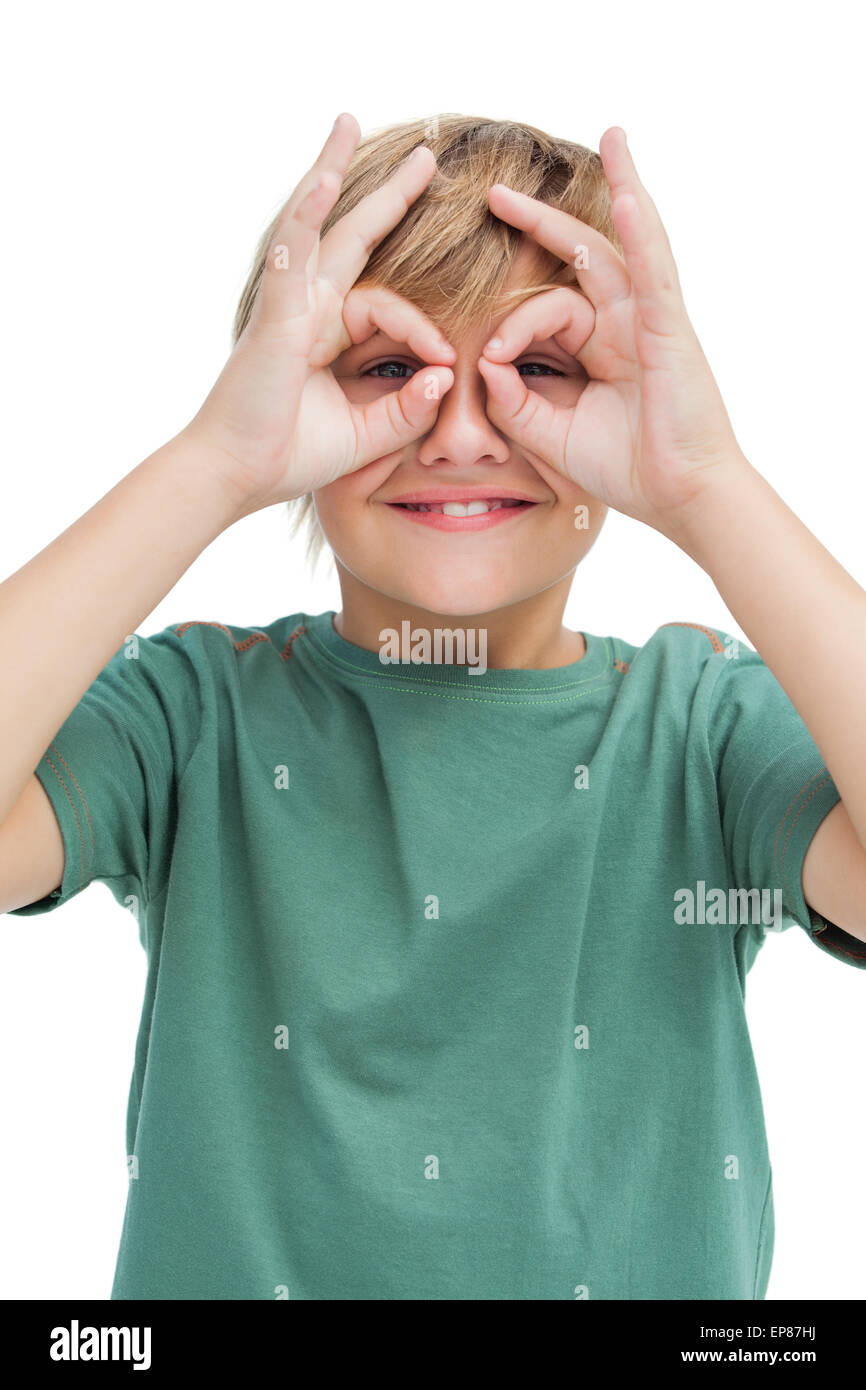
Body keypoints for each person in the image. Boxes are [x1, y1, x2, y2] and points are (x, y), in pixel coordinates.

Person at [1, 111, 864, 1301]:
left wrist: (704, 483)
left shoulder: (700, 727)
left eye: (539, 372)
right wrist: (216, 460)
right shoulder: (191, 714)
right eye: (390, 370)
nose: (459, 437)